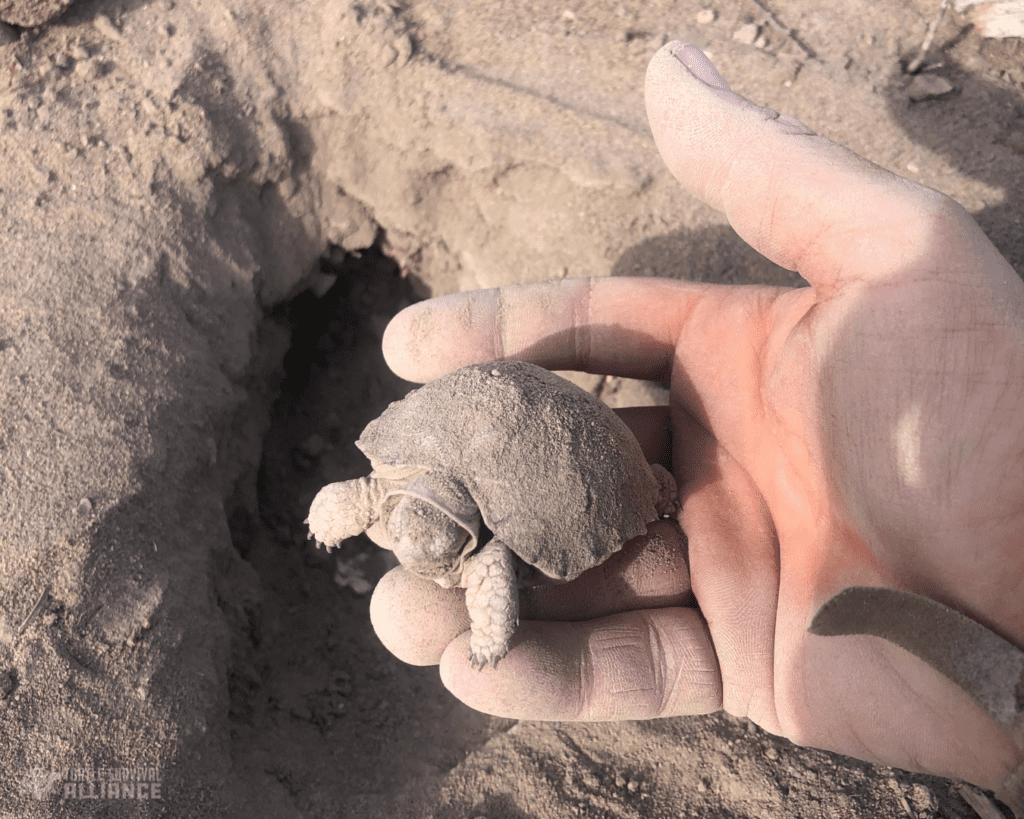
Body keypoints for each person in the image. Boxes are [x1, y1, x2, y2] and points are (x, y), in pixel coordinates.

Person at [369, 42, 1024, 800]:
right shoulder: (401, 480)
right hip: (466, 446)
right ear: (400, 491)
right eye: (408, 525)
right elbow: (357, 498)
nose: (420, 546)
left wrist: (492, 635)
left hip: (589, 469)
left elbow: (490, 586)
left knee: (571, 549)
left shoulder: (483, 557)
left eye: (432, 538)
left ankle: (648, 488)